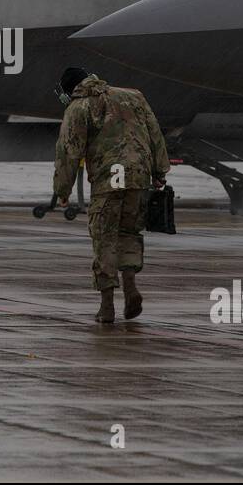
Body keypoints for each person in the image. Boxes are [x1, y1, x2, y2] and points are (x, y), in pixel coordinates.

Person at [52, 66, 169, 323]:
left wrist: (63, 190)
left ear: (71, 88)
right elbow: (154, 134)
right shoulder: (133, 96)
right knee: (129, 233)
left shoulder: (79, 108)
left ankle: (107, 307)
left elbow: (69, 152)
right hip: (138, 177)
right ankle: (130, 289)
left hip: (108, 180)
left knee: (104, 239)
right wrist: (160, 171)